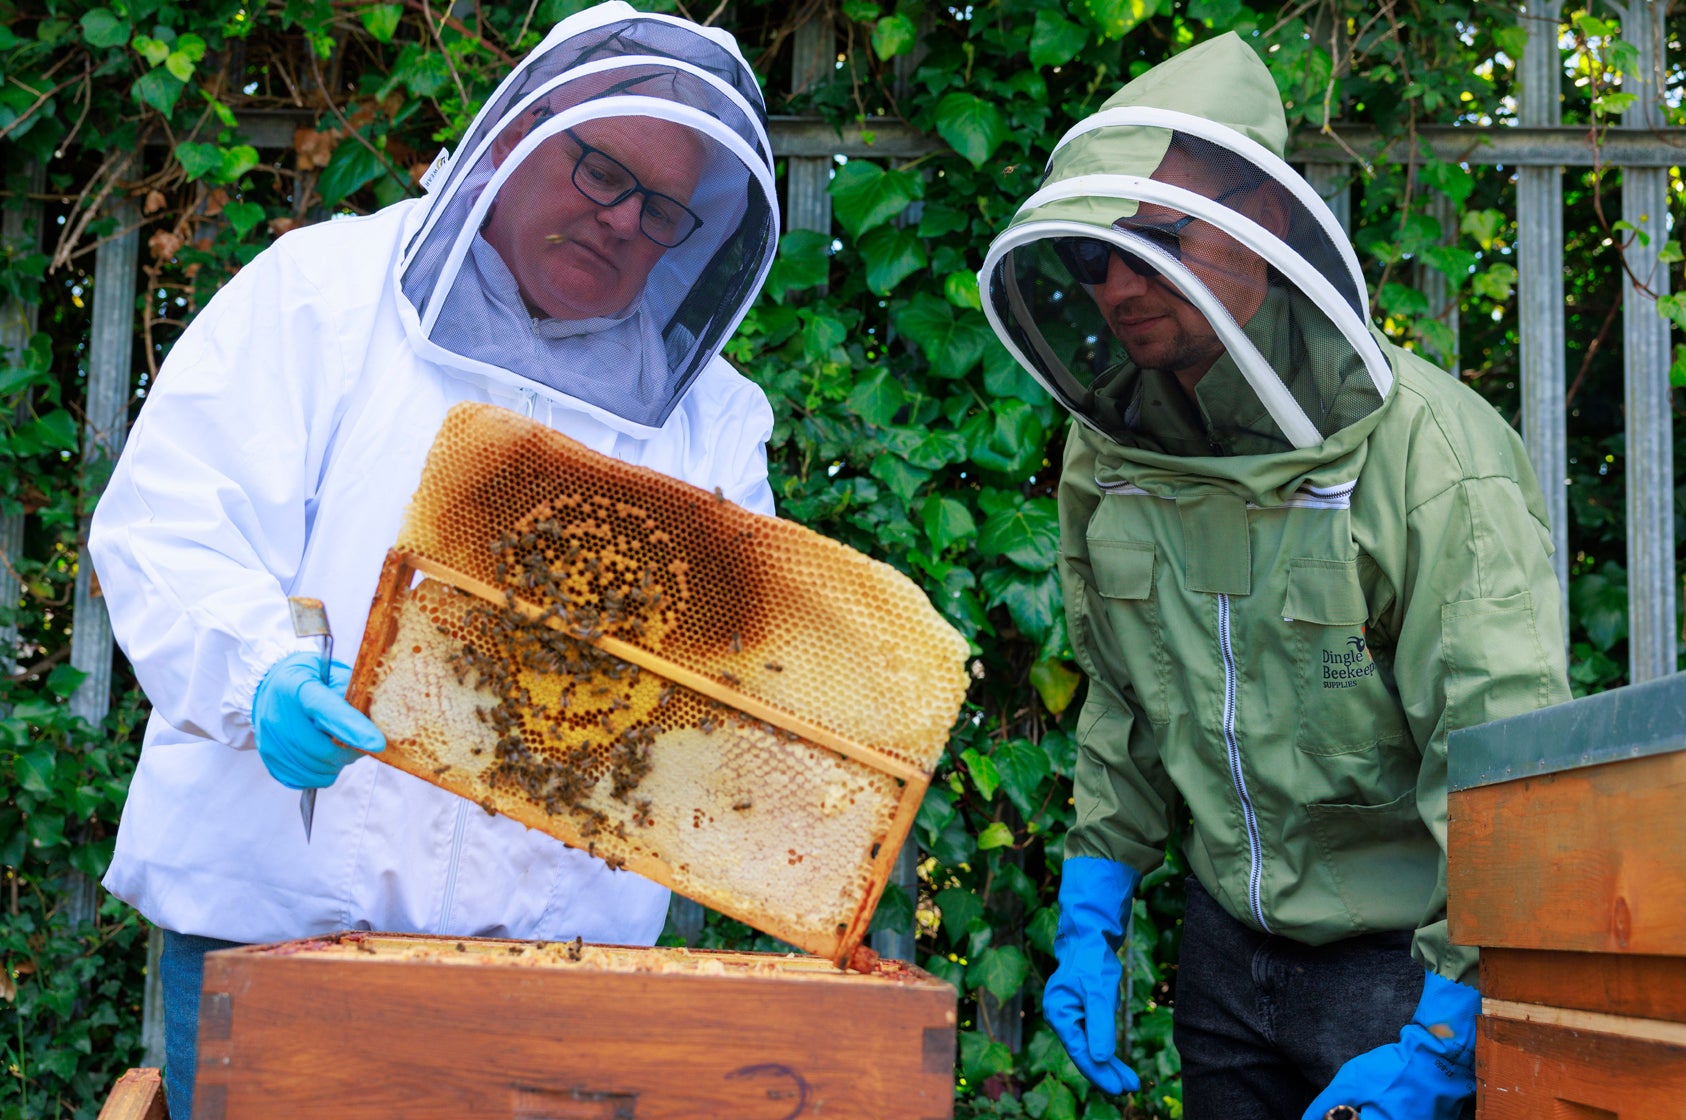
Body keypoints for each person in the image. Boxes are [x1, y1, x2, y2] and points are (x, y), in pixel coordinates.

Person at [88, 4, 779, 1114]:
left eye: (660, 209)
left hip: (559, 979)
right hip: (274, 934)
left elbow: (724, 673)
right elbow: (172, 524)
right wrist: (259, 672)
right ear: (514, 134)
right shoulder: (320, 294)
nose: (619, 220)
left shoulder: (713, 422)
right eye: (602, 170)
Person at [978, 32, 1570, 1120]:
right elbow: (1126, 693)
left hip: (1403, 967)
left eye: (1157, 240)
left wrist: (1452, 1024)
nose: (1120, 285)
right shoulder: (1108, 457)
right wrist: (1094, 902)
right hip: (1223, 956)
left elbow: (1501, 757)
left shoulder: (1432, 456)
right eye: (1092, 258)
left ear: (1268, 220)